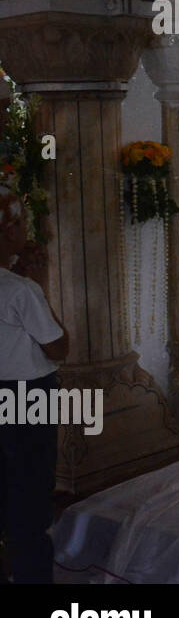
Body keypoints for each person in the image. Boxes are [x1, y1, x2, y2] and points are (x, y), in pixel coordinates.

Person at [0, 188, 67, 583]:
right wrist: (39, 284)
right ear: (10, 230)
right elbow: (58, 346)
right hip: (26, 399)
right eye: (22, 223)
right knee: (29, 495)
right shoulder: (21, 290)